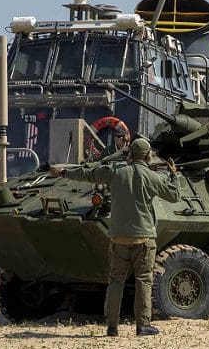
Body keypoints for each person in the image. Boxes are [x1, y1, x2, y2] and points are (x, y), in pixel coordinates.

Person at [52, 138, 180, 336]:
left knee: (115, 281)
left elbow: (89, 174)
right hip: (143, 238)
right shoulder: (153, 177)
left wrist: (64, 172)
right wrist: (173, 175)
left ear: (129, 154)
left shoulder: (115, 171)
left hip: (118, 237)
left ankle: (112, 326)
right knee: (144, 280)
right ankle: (142, 325)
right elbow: (174, 195)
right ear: (147, 156)